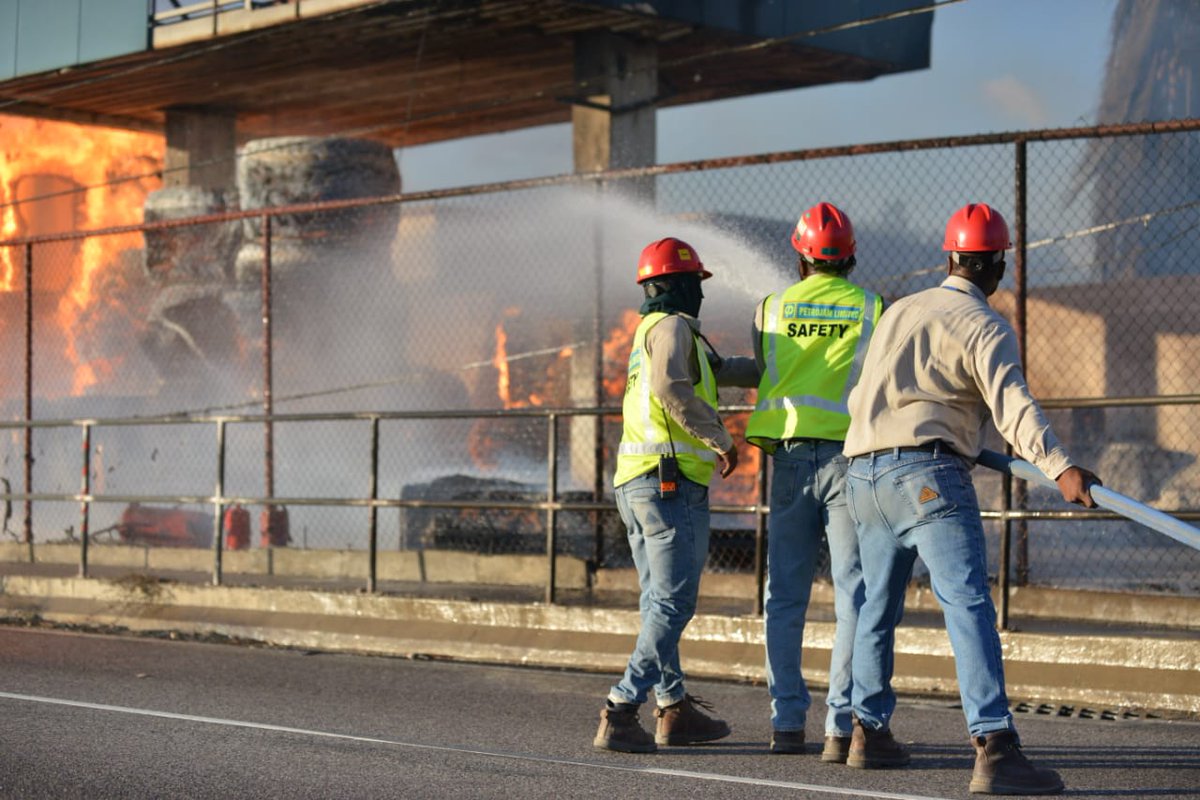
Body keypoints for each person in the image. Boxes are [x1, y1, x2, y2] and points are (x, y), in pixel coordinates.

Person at [841, 203, 1101, 795]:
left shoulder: (900, 309)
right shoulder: (984, 325)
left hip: (864, 475)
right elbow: (1012, 404)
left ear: (950, 257)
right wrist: (1060, 468)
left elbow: (863, 392)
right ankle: (995, 746)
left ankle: (868, 730)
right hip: (928, 475)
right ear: (998, 267)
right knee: (967, 605)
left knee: (876, 608)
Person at [594, 237, 757, 754]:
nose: (701, 295)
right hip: (668, 483)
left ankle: (673, 707)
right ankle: (622, 708)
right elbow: (671, 389)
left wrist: (780, 362)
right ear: (681, 285)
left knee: (657, 601)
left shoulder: (652, 330)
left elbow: (723, 370)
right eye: (695, 284)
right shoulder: (671, 329)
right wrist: (721, 438)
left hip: (639, 482)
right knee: (674, 601)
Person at [744, 202, 883, 760]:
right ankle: (839, 728)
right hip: (853, 460)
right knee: (853, 594)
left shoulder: (771, 309)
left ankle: (785, 723)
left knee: (784, 596)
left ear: (799, 257)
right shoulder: (875, 308)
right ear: (850, 256)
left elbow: (762, 367)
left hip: (792, 462)